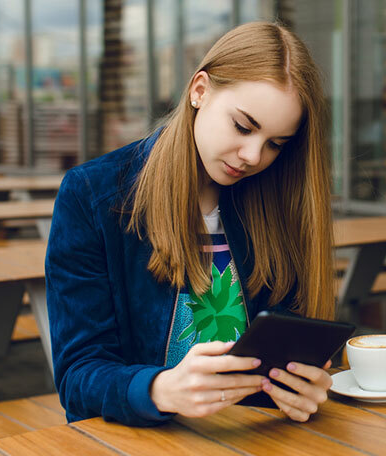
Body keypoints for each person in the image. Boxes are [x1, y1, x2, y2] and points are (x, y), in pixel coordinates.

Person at [45, 22, 335, 426]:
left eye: (275, 144)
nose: (253, 156)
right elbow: (78, 375)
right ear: (199, 90)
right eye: (243, 126)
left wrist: (302, 387)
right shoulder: (93, 196)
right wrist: (159, 390)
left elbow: (289, 348)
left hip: (256, 438)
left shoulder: (273, 200)